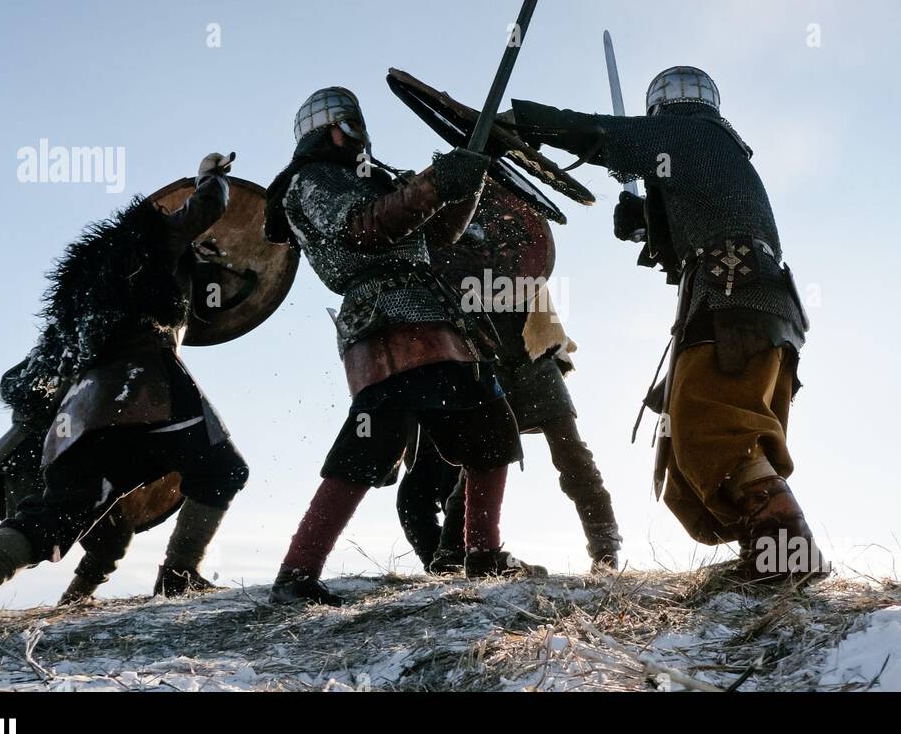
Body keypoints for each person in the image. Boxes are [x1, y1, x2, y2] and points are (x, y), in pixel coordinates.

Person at [507, 67, 826, 581]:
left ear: (661, 107)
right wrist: (646, 222)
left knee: (716, 430)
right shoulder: (717, 155)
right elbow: (688, 244)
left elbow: (603, 135)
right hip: (750, 304)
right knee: (696, 441)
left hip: (732, 302)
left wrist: (522, 123)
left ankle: (789, 556)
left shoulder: (690, 132)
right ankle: (765, 550)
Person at [0, 153, 249, 618]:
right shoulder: (152, 238)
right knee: (223, 469)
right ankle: (178, 574)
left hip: (86, 407)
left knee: (57, 517)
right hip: (146, 383)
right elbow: (209, 206)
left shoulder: (94, 279)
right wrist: (210, 174)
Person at [264, 87, 544, 607]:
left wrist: (469, 175)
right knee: (375, 438)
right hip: (381, 316)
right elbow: (364, 228)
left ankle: (481, 554)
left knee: (490, 425)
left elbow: (439, 233)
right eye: (351, 123)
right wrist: (435, 180)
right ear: (334, 128)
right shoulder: (311, 181)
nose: (359, 133)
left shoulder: (376, 178)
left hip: (433, 313)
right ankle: (297, 572)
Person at [395, 179, 621, 573]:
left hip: (533, 353)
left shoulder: (510, 218)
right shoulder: (445, 227)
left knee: (572, 454)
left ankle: (605, 549)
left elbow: (534, 258)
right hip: (485, 358)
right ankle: (454, 552)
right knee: (481, 462)